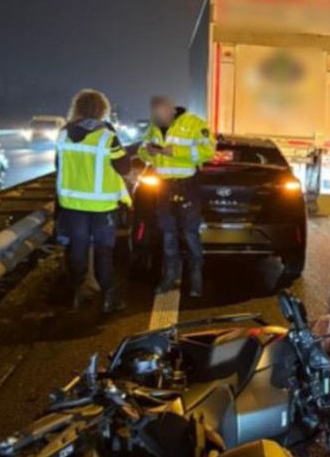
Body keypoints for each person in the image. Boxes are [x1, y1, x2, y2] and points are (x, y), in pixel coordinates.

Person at [55, 88, 133, 312]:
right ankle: (109, 298)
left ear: (77, 109)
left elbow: (57, 166)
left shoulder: (63, 134)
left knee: (77, 249)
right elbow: (124, 167)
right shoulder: (107, 136)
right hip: (102, 206)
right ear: (102, 110)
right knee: (103, 252)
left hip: (72, 205)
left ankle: (77, 294)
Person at [139, 95, 215, 296]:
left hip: (187, 186)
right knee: (168, 234)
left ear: (172, 110)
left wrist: (174, 151)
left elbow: (208, 151)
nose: (158, 116)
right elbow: (142, 152)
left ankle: (195, 281)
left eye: (161, 112)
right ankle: (170, 277)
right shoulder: (154, 127)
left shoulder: (194, 124)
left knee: (190, 234)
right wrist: (149, 153)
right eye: (155, 114)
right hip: (164, 187)